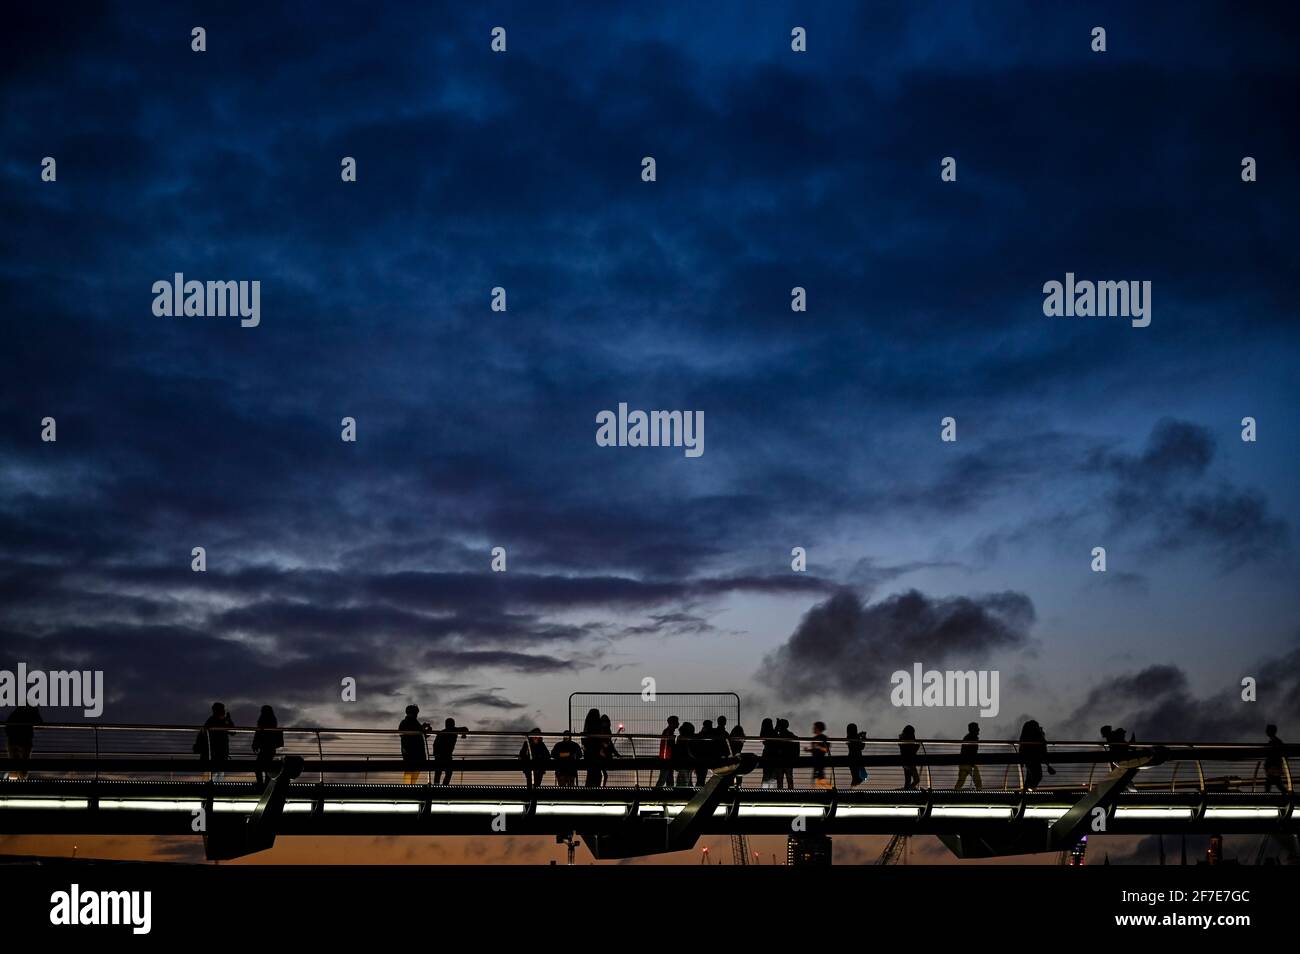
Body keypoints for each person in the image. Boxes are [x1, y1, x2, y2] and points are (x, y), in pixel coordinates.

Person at [195, 702, 235, 781]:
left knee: (212, 778)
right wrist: (229, 720)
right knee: (217, 778)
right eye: (222, 709)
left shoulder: (210, 721)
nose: (224, 711)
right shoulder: (221, 722)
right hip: (219, 755)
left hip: (212, 755)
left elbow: (232, 732)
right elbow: (233, 732)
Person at [4, 705, 42, 780]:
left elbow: (7, 726)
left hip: (12, 739)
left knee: (13, 764)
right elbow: (40, 724)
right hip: (25, 740)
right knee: (24, 764)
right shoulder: (32, 711)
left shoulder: (16, 712)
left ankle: (13, 780)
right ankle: (22, 779)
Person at [251, 705, 284, 786]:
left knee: (258, 767)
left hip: (265, 748)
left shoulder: (262, 721)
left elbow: (258, 732)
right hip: (270, 748)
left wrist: (255, 743)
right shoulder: (273, 720)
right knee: (266, 767)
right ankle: (265, 784)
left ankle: (261, 784)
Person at [399, 705, 432, 783]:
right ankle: (409, 786)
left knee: (410, 770)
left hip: (410, 751)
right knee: (412, 770)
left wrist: (423, 729)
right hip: (413, 751)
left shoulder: (405, 722)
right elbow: (417, 733)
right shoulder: (411, 722)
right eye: (416, 712)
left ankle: (409, 786)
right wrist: (423, 729)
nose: (417, 714)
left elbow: (418, 733)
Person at [1019, 720, 1055, 790]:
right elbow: (1043, 749)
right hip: (1035, 759)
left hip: (1028, 759)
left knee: (1031, 777)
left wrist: (1021, 762)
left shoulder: (1025, 738)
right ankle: (1029, 789)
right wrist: (1047, 764)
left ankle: (1027, 791)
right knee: (1037, 776)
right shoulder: (1039, 737)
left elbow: (1022, 749)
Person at [433, 717, 468, 785]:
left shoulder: (442, 732)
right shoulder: (454, 731)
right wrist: (463, 734)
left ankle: (437, 786)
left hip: (439, 755)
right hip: (447, 755)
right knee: (448, 772)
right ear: (453, 724)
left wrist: (435, 754)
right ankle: (444, 786)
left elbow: (435, 744)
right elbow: (465, 728)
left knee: (438, 772)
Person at [955, 722, 982, 790]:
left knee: (960, 782)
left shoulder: (967, 737)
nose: (979, 730)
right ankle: (979, 792)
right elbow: (973, 752)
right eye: (977, 728)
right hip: (969, 763)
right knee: (978, 782)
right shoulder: (973, 738)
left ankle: (955, 792)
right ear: (974, 730)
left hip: (963, 763)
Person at [581, 708, 604, 788]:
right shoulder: (599, 725)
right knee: (597, 773)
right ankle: (596, 788)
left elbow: (584, 740)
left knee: (590, 772)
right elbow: (600, 739)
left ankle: (589, 788)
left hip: (589, 753)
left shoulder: (587, 725)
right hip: (597, 752)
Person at [1264, 724, 1289, 794]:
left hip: (1274, 766)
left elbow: (1272, 754)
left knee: (1270, 784)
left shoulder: (1274, 742)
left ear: (1270, 731)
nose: (1266, 731)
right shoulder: (1277, 741)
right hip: (1275, 766)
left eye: (1267, 730)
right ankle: (1288, 794)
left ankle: (1288, 795)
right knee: (1277, 784)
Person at [655, 716, 679, 789]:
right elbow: (667, 747)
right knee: (664, 779)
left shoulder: (668, 731)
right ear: (672, 723)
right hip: (666, 760)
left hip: (666, 759)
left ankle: (657, 793)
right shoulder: (668, 732)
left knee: (667, 779)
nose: (678, 723)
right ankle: (656, 793)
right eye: (677, 722)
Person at [598, 714, 621, 785]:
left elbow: (609, 743)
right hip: (604, 755)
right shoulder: (607, 730)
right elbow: (609, 743)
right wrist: (615, 753)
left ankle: (601, 787)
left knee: (603, 774)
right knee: (603, 774)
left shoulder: (600, 730)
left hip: (602, 755)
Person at [759, 718, 780, 788]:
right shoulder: (772, 733)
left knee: (766, 774)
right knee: (772, 775)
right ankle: (771, 790)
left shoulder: (763, 733)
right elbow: (775, 735)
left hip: (766, 754)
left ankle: (764, 790)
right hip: (774, 755)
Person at [674, 722, 696, 787]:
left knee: (682, 779)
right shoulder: (690, 738)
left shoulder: (680, 737)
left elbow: (678, 749)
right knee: (687, 779)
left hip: (681, 761)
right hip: (688, 761)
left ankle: (681, 790)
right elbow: (689, 750)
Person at [899, 724, 920, 790]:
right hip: (910, 762)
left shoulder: (902, 740)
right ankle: (909, 790)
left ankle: (907, 790)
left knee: (908, 780)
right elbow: (912, 750)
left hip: (905, 762)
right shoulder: (910, 739)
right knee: (916, 779)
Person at [777, 718, 797, 789]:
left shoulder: (778, 736)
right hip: (789, 760)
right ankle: (790, 793)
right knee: (789, 779)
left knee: (780, 780)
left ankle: (780, 793)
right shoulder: (791, 735)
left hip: (780, 760)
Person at [809, 722, 830, 787]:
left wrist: (818, 747)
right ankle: (829, 789)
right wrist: (808, 750)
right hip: (816, 763)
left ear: (818, 728)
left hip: (820, 762)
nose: (813, 728)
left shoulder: (824, 737)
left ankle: (830, 790)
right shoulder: (814, 738)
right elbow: (815, 750)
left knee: (820, 781)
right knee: (819, 781)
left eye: (814, 727)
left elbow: (826, 749)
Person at [727, 723, 746, 787]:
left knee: (731, 774)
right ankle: (739, 786)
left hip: (731, 758)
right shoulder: (741, 739)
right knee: (739, 773)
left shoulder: (731, 739)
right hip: (738, 757)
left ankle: (731, 786)